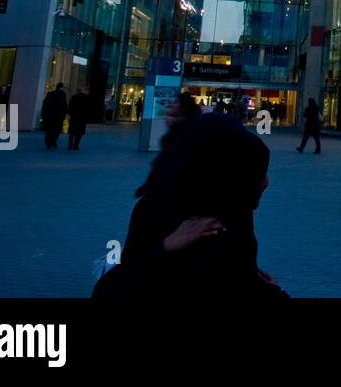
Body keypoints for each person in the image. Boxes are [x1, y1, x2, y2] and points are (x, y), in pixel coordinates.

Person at [94, 112, 286, 299]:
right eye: (255, 172)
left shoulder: (233, 214)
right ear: (229, 175)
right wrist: (165, 247)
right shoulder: (201, 222)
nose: (266, 182)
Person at [41, 83, 67, 150]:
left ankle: (48, 142)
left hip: (49, 115)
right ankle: (52, 141)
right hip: (58, 116)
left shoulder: (50, 94)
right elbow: (64, 105)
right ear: (61, 88)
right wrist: (64, 115)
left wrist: (43, 114)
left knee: (49, 130)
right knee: (56, 130)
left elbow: (45, 104)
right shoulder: (62, 95)